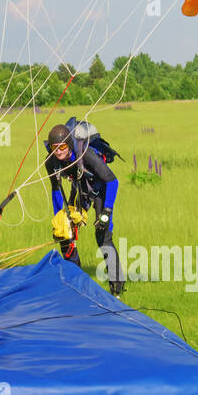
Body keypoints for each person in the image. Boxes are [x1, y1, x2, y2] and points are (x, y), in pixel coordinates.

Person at [45, 123, 125, 294]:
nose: (58, 152)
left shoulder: (86, 154)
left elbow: (112, 181)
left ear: (69, 144)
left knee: (103, 236)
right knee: (65, 235)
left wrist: (106, 211)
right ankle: (76, 284)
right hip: (79, 188)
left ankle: (117, 286)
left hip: (100, 190)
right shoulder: (51, 162)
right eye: (54, 148)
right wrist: (59, 219)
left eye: (62, 147)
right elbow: (56, 190)